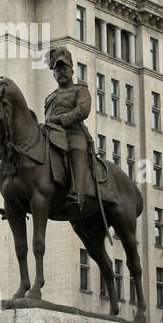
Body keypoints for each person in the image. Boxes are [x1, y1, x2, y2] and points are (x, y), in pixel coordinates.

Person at [42, 46, 93, 211]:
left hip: (73, 133)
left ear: (72, 70)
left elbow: (83, 111)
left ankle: (78, 194)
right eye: (57, 69)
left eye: (64, 68)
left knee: (77, 148)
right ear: (53, 74)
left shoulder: (80, 90)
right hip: (51, 134)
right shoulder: (49, 96)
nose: (61, 72)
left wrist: (61, 120)